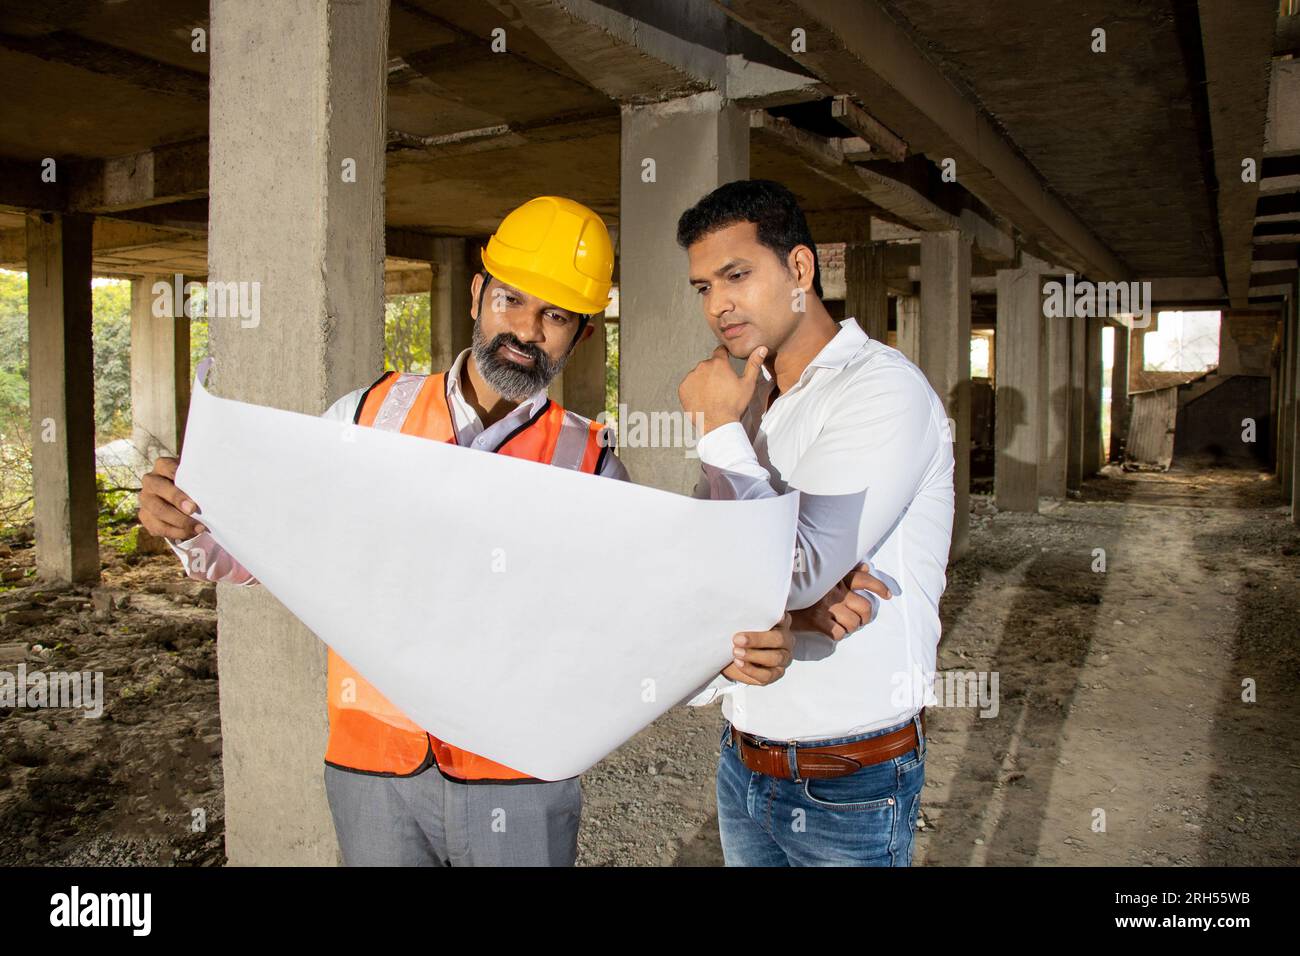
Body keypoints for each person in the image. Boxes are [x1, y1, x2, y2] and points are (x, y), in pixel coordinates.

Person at [138, 195, 796, 866]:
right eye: (510, 299)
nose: (526, 329)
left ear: (583, 334)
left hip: (517, 770)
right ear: (478, 292)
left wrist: (726, 653)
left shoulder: (590, 465)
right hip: (373, 761)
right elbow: (267, 550)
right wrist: (190, 522)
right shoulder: (367, 416)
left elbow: (635, 620)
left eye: (556, 315)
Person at [676, 179, 955, 866]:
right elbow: (706, 564)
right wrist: (796, 607)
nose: (719, 305)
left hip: (849, 781)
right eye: (704, 287)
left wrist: (716, 430)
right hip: (744, 763)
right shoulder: (755, 401)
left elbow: (794, 569)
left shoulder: (882, 389)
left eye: (736, 275)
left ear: (800, 269)